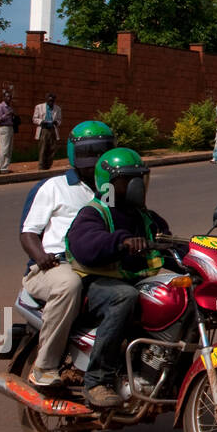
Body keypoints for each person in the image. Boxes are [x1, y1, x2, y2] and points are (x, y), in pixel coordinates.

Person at [65, 147, 170, 409]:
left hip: (132, 281)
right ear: (109, 184)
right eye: (128, 180)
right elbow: (86, 245)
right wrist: (121, 241)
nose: (137, 185)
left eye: (140, 178)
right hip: (95, 285)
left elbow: (167, 242)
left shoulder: (146, 218)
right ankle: (97, 381)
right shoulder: (95, 212)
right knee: (125, 296)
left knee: (177, 294)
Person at [19, 121, 116, 389]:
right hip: (54, 267)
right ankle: (44, 367)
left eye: (102, 151)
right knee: (69, 284)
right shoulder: (52, 187)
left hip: (96, 265)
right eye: (90, 152)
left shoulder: (108, 190)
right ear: (75, 154)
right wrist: (41, 257)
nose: (96, 159)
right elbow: (28, 233)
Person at [33, 93, 62, 170]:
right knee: (43, 148)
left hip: (52, 129)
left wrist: (56, 122)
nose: (51, 102)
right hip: (44, 129)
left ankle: (48, 165)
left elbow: (59, 120)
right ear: (46, 100)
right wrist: (42, 122)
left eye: (52, 101)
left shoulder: (57, 108)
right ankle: (41, 165)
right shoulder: (39, 107)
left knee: (52, 148)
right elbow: (34, 119)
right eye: (49, 101)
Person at [0, 88, 17, 173]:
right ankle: (1, 167)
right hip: (3, 128)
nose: (9, 98)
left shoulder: (9, 107)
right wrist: (7, 114)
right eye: (7, 97)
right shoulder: (0, 107)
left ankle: (5, 167)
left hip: (10, 128)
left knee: (9, 149)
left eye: (10, 97)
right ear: (3, 98)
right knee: (4, 148)